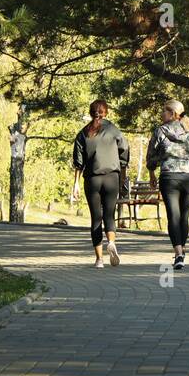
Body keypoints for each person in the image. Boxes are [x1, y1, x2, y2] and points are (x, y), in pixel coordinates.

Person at [147, 99, 189, 271]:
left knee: (173, 216)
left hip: (169, 177)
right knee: (183, 216)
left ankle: (178, 253)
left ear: (173, 114)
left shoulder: (161, 130)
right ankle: (181, 250)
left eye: (164, 110)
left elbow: (152, 155)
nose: (161, 114)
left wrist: (152, 173)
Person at [71, 99, 129, 268]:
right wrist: (122, 174)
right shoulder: (113, 130)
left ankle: (99, 260)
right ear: (106, 112)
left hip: (92, 179)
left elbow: (78, 162)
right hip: (112, 177)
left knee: (96, 218)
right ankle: (111, 242)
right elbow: (124, 152)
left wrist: (75, 184)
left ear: (91, 113)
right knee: (109, 215)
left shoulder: (83, 133)